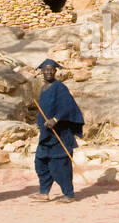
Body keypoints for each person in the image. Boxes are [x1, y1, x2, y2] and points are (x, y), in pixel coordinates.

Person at [31, 59, 84, 203]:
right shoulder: (43, 88)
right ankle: (44, 192)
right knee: (40, 162)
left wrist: (55, 119)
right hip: (46, 134)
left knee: (60, 165)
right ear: (41, 71)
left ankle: (69, 194)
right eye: (45, 69)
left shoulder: (60, 87)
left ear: (55, 71)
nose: (48, 72)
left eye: (51, 69)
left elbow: (68, 106)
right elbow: (44, 109)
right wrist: (40, 123)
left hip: (60, 133)